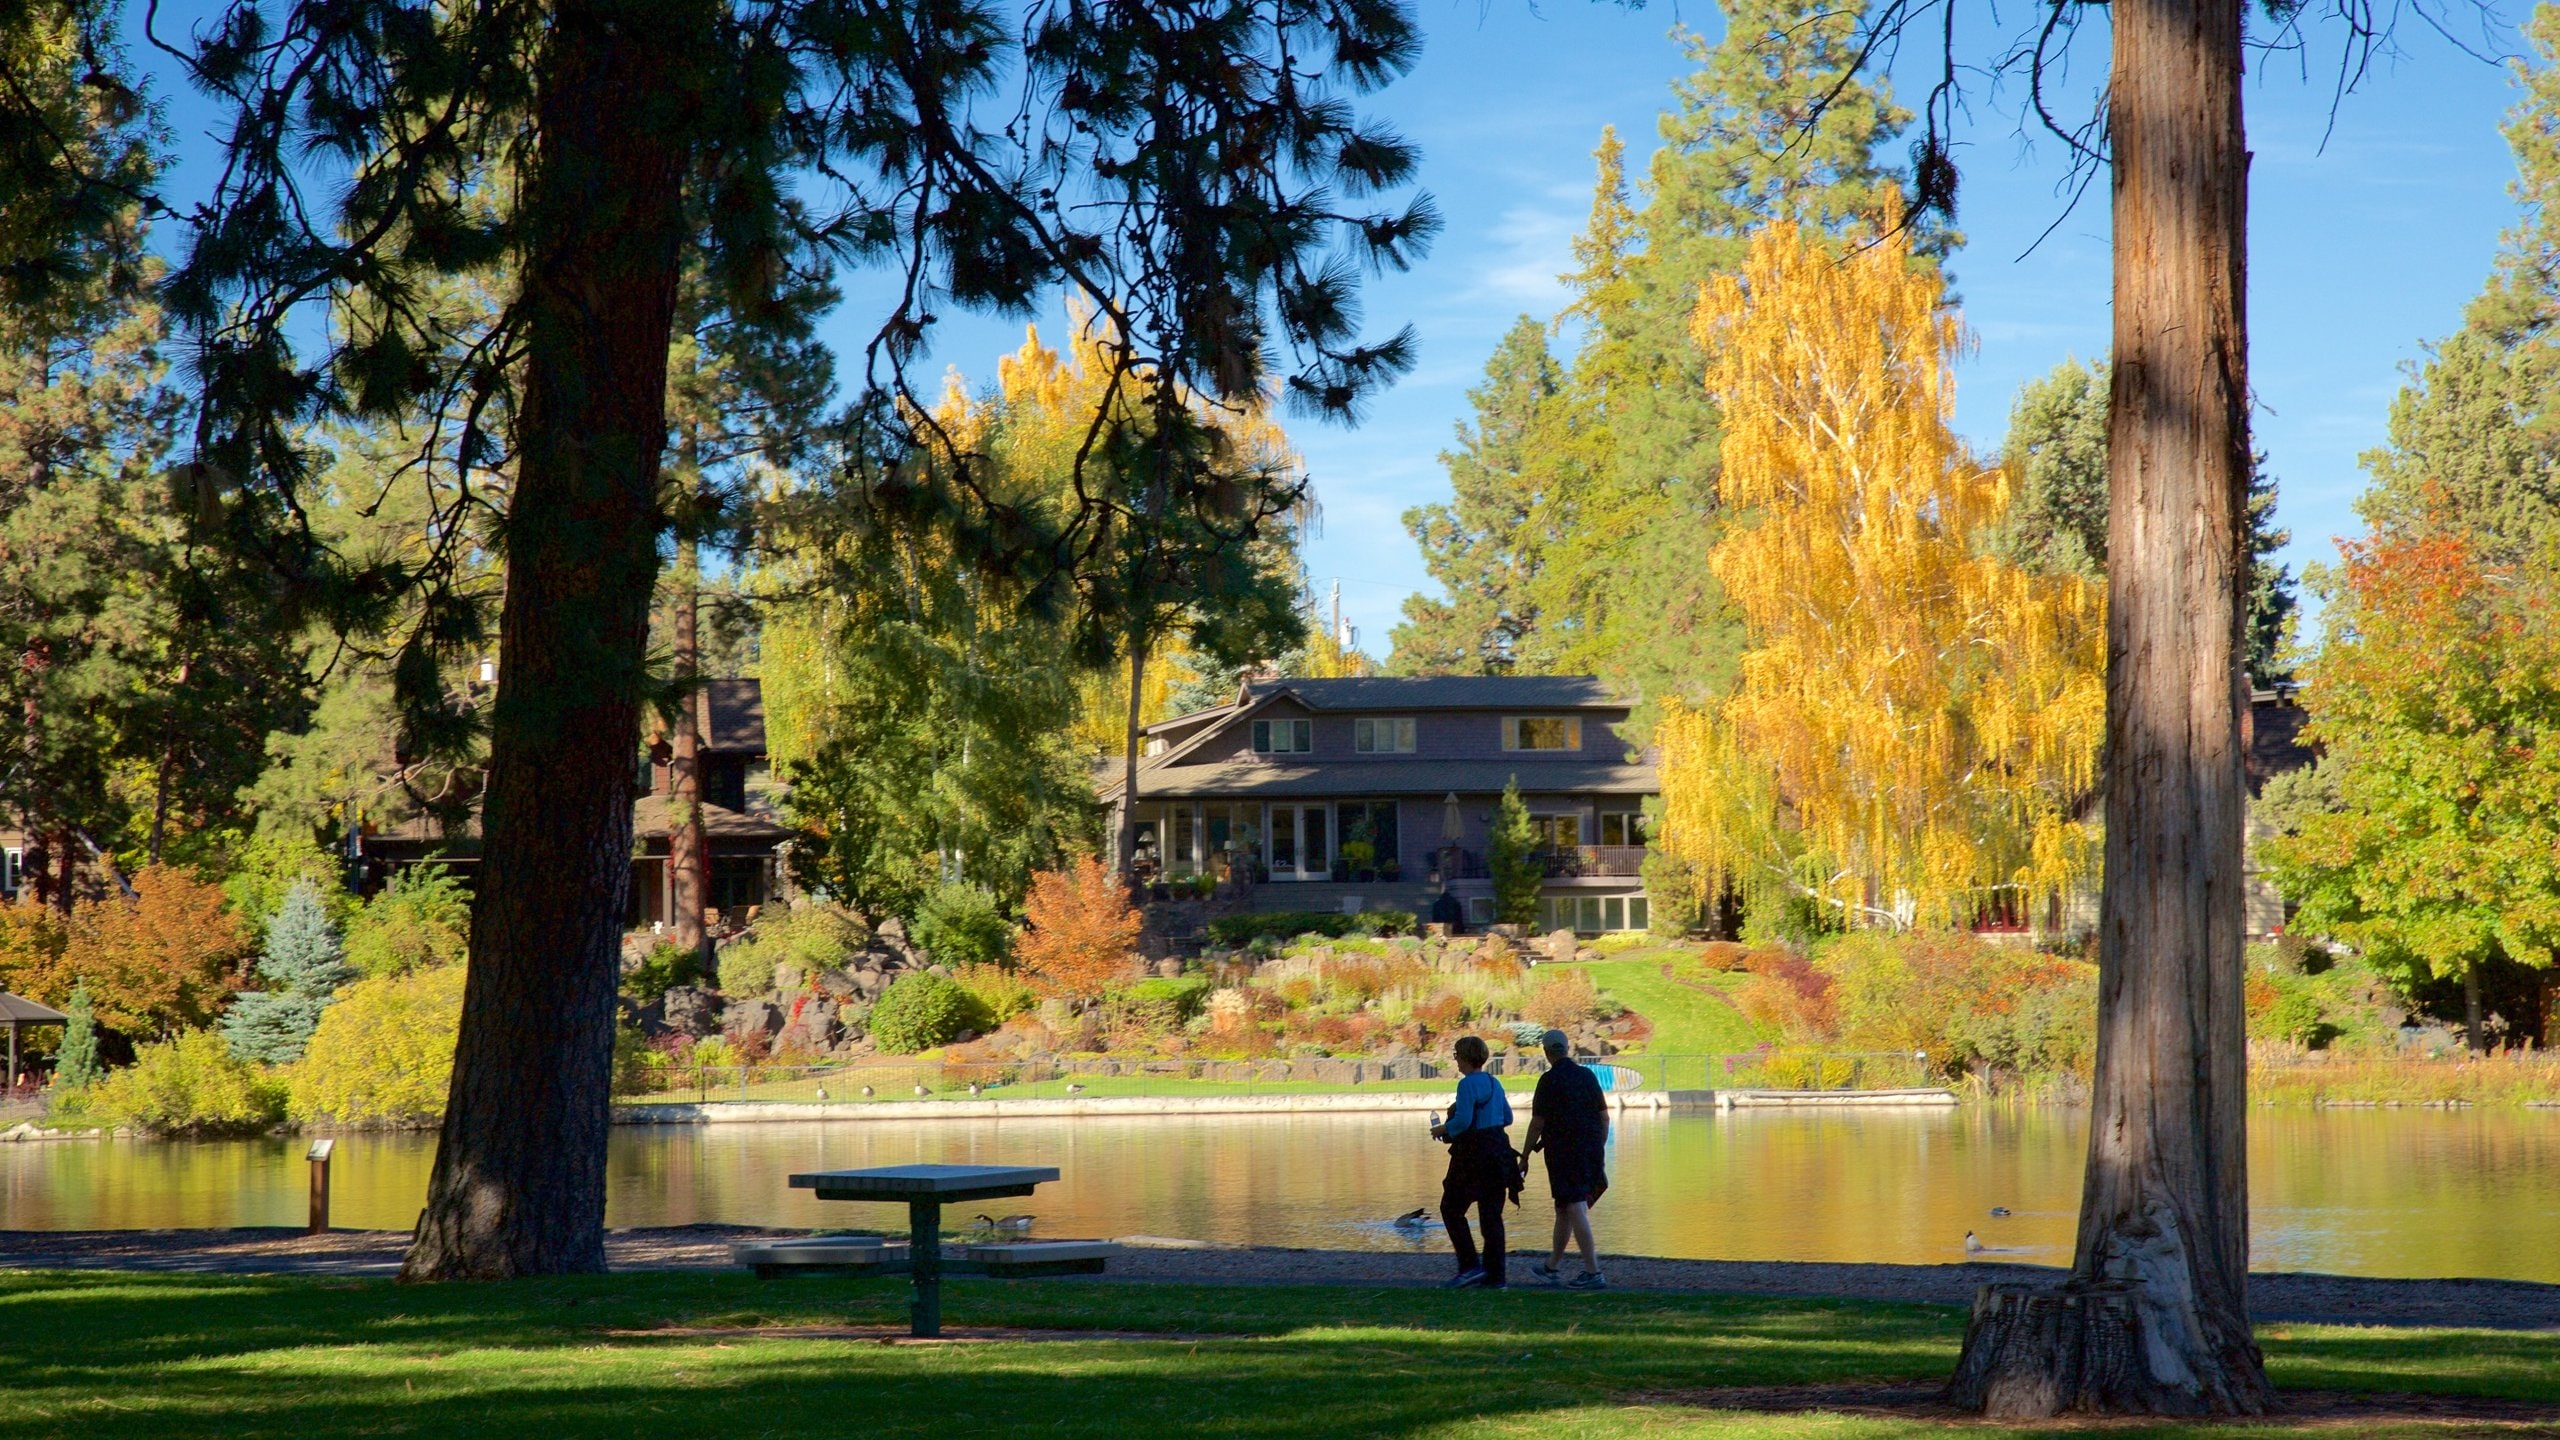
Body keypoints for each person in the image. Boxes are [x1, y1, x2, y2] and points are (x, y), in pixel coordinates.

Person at [1523, 1028, 1609, 1289]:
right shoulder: (1587, 1076)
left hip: (1563, 1153)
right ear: (1567, 1048)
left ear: (1547, 1052)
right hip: (1589, 1150)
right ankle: (1552, 1266)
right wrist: (1598, 1147)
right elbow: (1604, 1117)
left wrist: (1524, 1155)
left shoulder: (1548, 1081)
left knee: (1574, 1206)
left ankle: (1593, 1272)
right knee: (1564, 1208)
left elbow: (1537, 1123)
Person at [1432, 1034, 1516, 1288]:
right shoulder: (1494, 1082)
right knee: (1491, 1217)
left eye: (1457, 1056)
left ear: (1466, 1058)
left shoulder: (1467, 1085)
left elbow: (1463, 1121)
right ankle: (1496, 1277)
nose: (1455, 1061)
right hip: (1498, 1154)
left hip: (1472, 1156)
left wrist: (1442, 1130)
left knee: (1451, 1209)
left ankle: (1469, 1266)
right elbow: (1508, 1117)